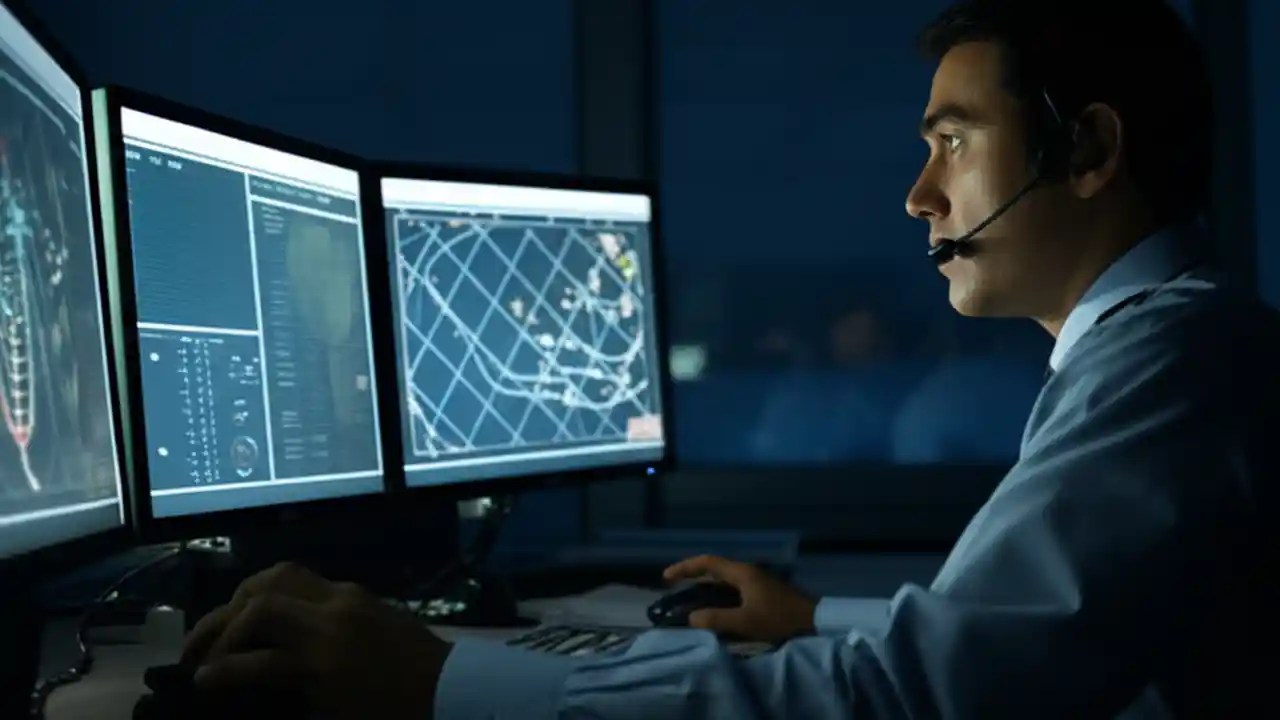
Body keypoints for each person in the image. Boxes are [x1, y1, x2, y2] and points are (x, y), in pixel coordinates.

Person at [178, 0, 1279, 717]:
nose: (918, 195)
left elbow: (919, 699)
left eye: (950, 141)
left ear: (1083, 150)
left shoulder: (1171, 364)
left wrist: (440, 678)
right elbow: (1015, 639)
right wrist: (816, 621)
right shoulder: (1164, 348)